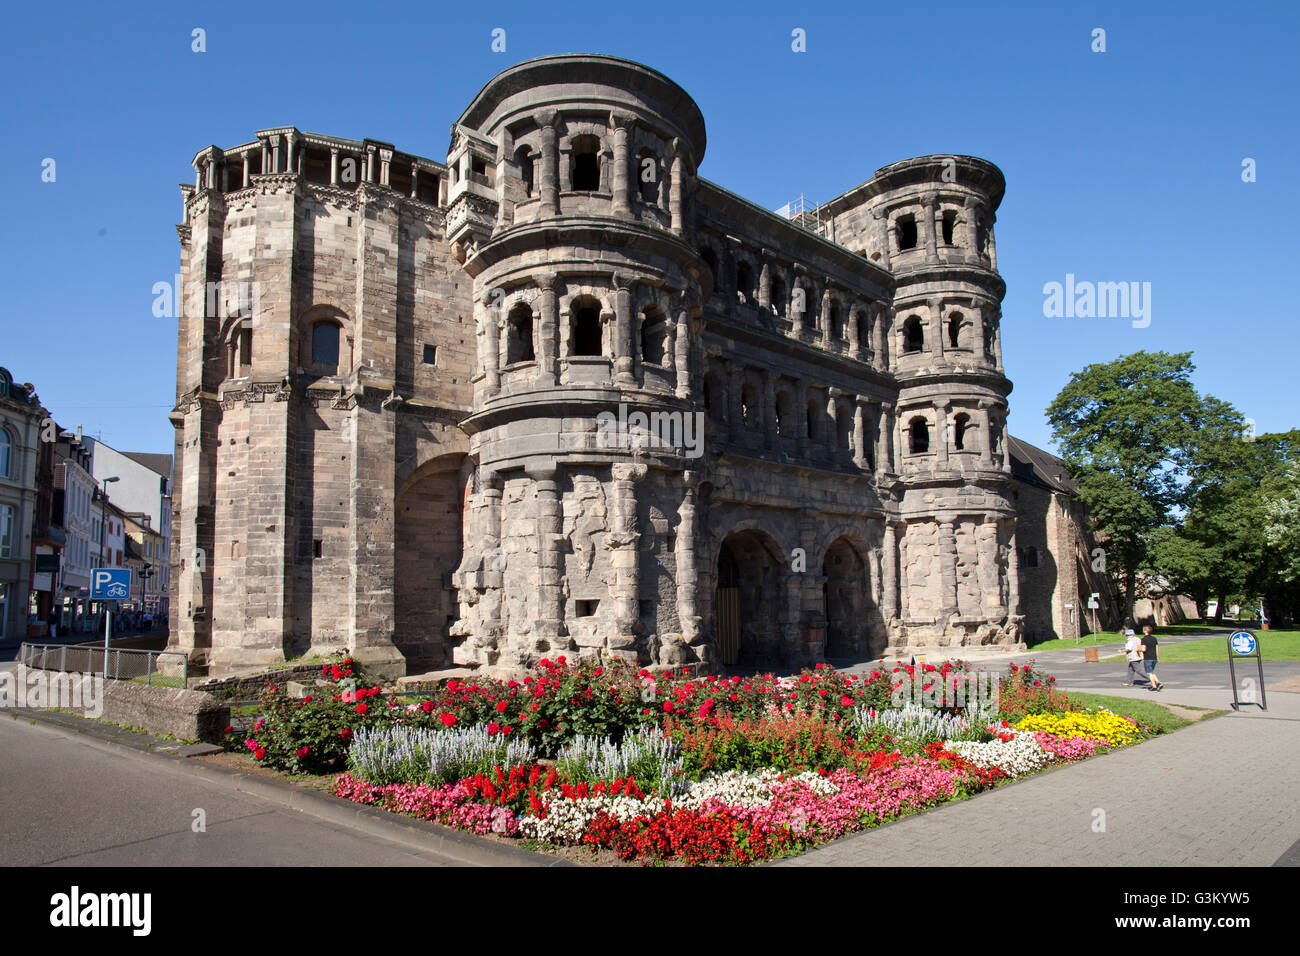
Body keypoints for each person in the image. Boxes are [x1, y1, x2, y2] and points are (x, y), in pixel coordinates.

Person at [1138, 624, 1163, 691]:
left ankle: (1154, 686)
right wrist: (1157, 656)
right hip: (1154, 657)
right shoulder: (1154, 638)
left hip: (1147, 657)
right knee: (1151, 672)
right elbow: (1157, 648)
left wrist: (1138, 649)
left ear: (1145, 631)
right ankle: (1158, 683)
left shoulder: (1143, 639)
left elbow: (1144, 649)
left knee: (1149, 673)